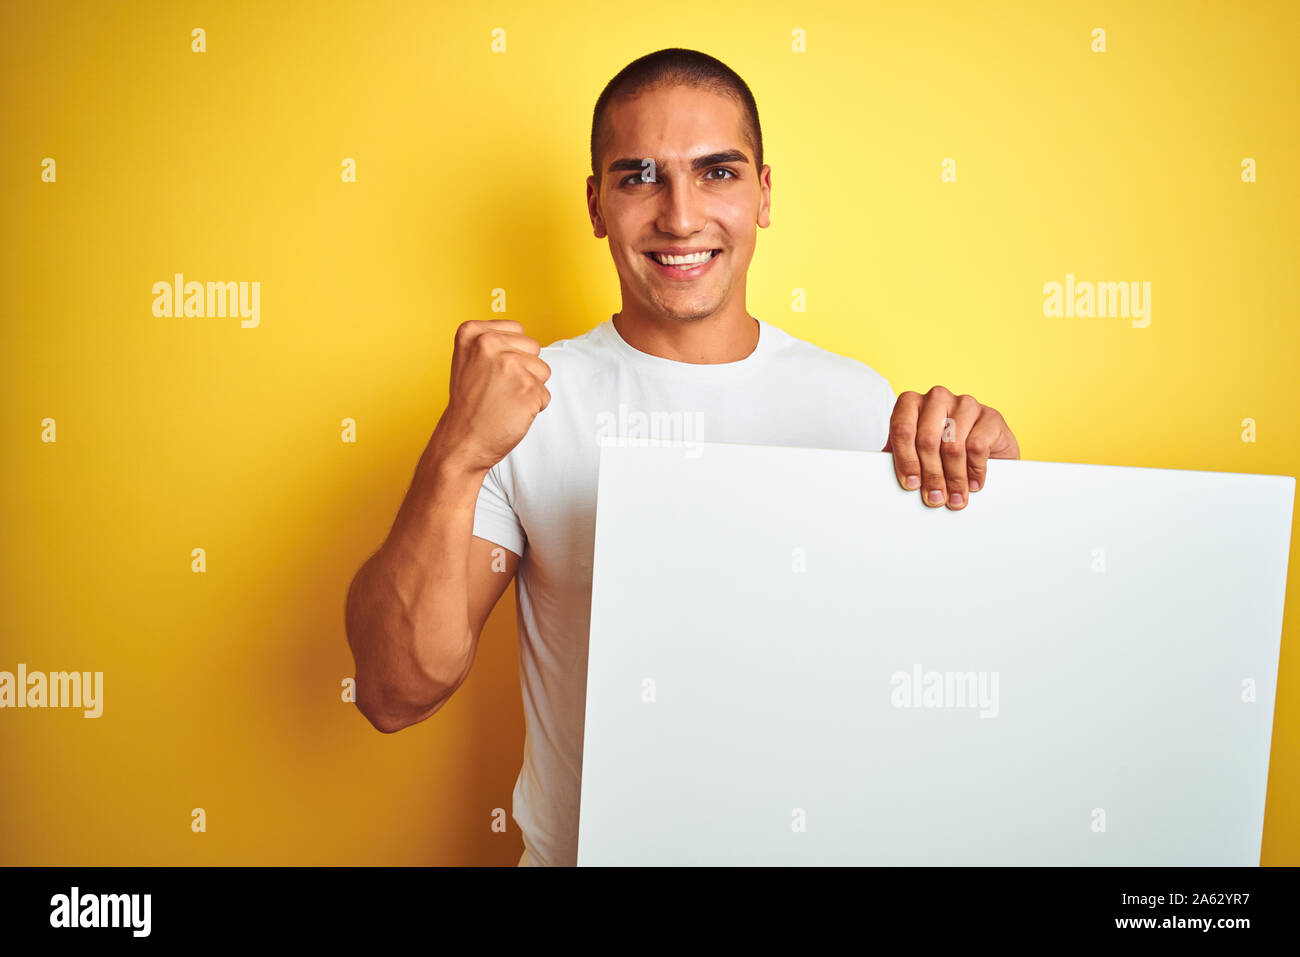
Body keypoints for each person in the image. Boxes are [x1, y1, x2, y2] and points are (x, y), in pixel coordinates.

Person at [344, 48, 1021, 867]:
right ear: (596, 204)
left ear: (764, 194)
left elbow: (941, 683)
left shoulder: (856, 406)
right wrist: (455, 450)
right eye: (639, 177)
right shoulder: (529, 406)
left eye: (717, 173)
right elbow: (394, 690)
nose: (680, 215)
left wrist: (995, 495)